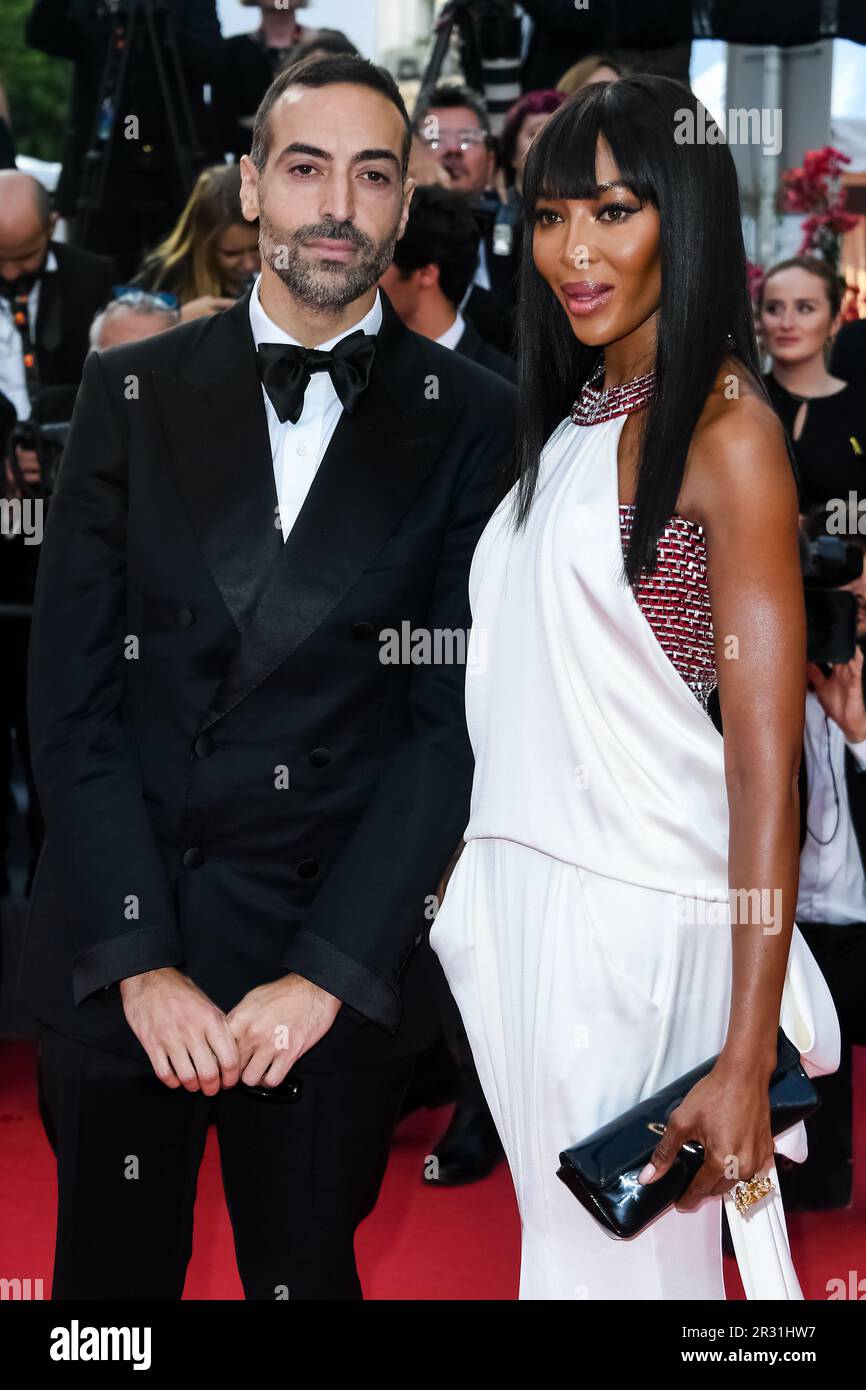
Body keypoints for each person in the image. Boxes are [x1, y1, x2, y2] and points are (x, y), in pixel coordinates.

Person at [18, 52, 514, 1301]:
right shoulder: (129, 393)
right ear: (250, 189)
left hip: (326, 961)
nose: (335, 203)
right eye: (303, 168)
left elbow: (444, 728)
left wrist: (326, 970)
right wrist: (141, 959)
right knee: (105, 1308)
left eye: (370, 174)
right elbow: (67, 698)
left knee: (304, 1282)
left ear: (404, 207)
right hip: (126, 943)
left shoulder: (474, 419)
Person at [429, 75, 840, 1300]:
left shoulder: (724, 435)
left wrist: (741, 1048)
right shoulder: (577, 414)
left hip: (638, 932)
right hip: (523, 920)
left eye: (613, 211)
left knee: (614, 1283)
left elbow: (764, 770)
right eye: (553, 215)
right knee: (564, 1267)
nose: (575, 250)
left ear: (686, 216)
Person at [413, 84, 516, 352]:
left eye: (468, 139)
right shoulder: (394, 239)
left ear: (491, 162)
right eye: (435, 140)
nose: (453, 150)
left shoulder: (522, 234)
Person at [760, 257, 866, 513]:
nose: (786, 323)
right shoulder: (738, 399)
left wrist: (818, 523)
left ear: (834, 322)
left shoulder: (857, 409)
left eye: (805, 308)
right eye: (773, 308)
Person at [381, 184, 515, 382]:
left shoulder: (506, 387)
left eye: (381, 262)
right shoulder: (360, 369)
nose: (368, 275)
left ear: (426, 274)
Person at [132, 163, 261, 321]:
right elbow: (114, 336)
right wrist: (174, 320)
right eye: (232, 254)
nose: (249, 264)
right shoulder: (168, 276)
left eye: (257, 248)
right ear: (204, 246)